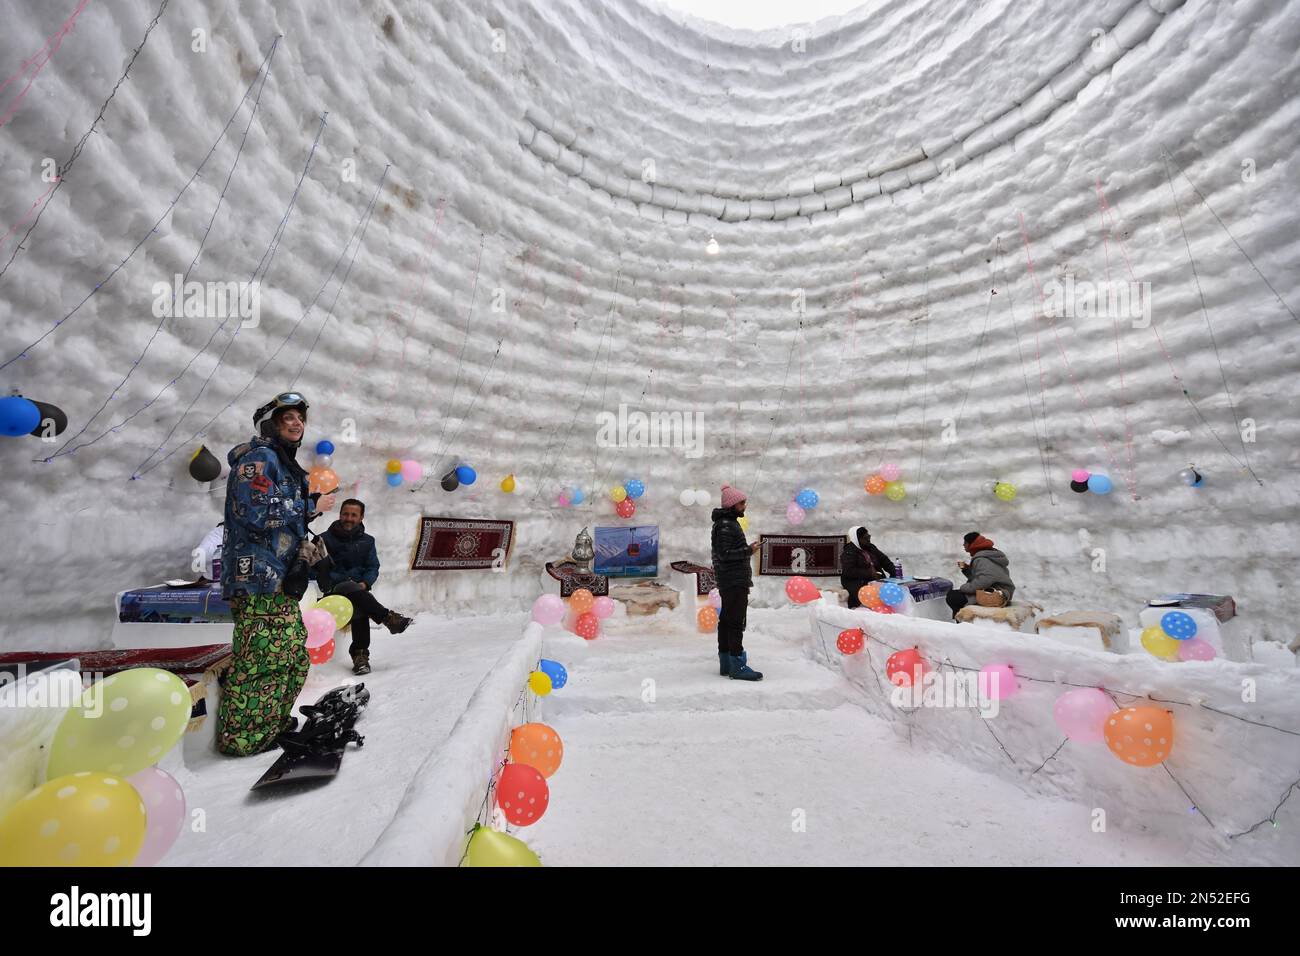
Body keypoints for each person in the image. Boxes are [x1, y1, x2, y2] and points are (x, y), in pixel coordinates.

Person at [218, 392, 335, 756]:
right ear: (270, 423)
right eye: (288, 417)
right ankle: (243, 738)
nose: (297, 423)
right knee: (262, 659)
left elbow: (278, 511)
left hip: (279, 577)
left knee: (292, 656)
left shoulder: (283, 465)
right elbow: (253, 512)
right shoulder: (258, 459)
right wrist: (308, 504)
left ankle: (269, 723)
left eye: (300, 417)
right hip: (255, 577)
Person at [316, 498, 414, 675]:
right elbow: (319, 570)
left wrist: (365, 582)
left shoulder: (368, 541)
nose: (349, 518)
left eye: (354, 515)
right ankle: (386, 621)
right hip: (332, 589)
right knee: (354, 591)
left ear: (361, 518)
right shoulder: (324, 539)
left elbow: (373, 567)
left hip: (357, 591)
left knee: (358, 601)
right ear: (340, 515)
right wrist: (348, 580)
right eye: (346, 514)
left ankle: (362, 658)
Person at [711, 484, 762, 681]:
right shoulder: (725, 525)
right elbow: (724, 555)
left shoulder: (726, 523)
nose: (744, 506)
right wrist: (749, 550)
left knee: (726, 621)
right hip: (733, 580)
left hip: (731, 579)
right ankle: (737, 666)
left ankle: (726, 663)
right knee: (735, 622)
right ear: (732, 505)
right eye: (742, 503)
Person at [947, 531, 1016, 618]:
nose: (963, 545)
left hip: (998, 594)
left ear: (971, 544)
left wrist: (965, 588)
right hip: (997, 590)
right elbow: (983, 577)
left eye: (965, 543)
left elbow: (986, 579)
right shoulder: (987, 554)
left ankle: (963, 622)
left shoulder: (982, 559)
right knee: (955, 595)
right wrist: (967, 569)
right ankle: (961, 620)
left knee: (953, 597)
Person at [841, 526, 897, 608]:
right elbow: (849, 571)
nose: (868, 539)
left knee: (891, 590)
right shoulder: (849, 552)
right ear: (857, 539)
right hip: (856, 582)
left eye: (869, 536)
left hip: (875, 579)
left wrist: (894, 572)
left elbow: (884, 560)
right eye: (865, 538)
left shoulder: (871, 547)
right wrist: (869, 573)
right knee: (873, 597)